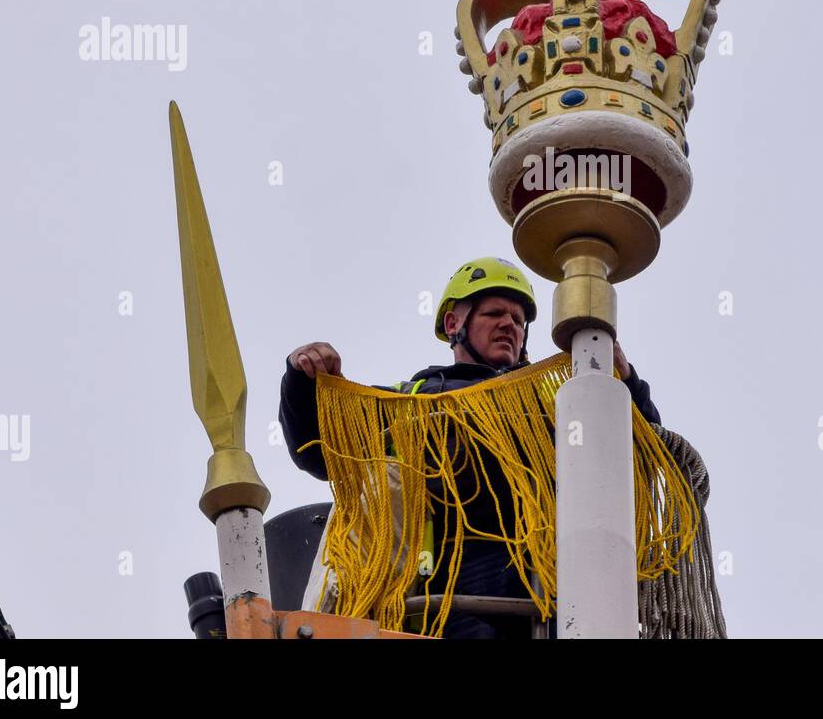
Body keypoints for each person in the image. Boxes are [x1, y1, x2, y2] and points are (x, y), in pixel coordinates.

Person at [277, 256, 661, 638]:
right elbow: (316, 449)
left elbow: (643, 452)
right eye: (494, 313)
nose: (510, 325)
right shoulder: (405, 402)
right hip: (436, 590)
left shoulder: (551, 403)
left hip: (540, 590)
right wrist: (302, 379)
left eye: (518, 320)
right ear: (452, 323)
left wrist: (624, 383)